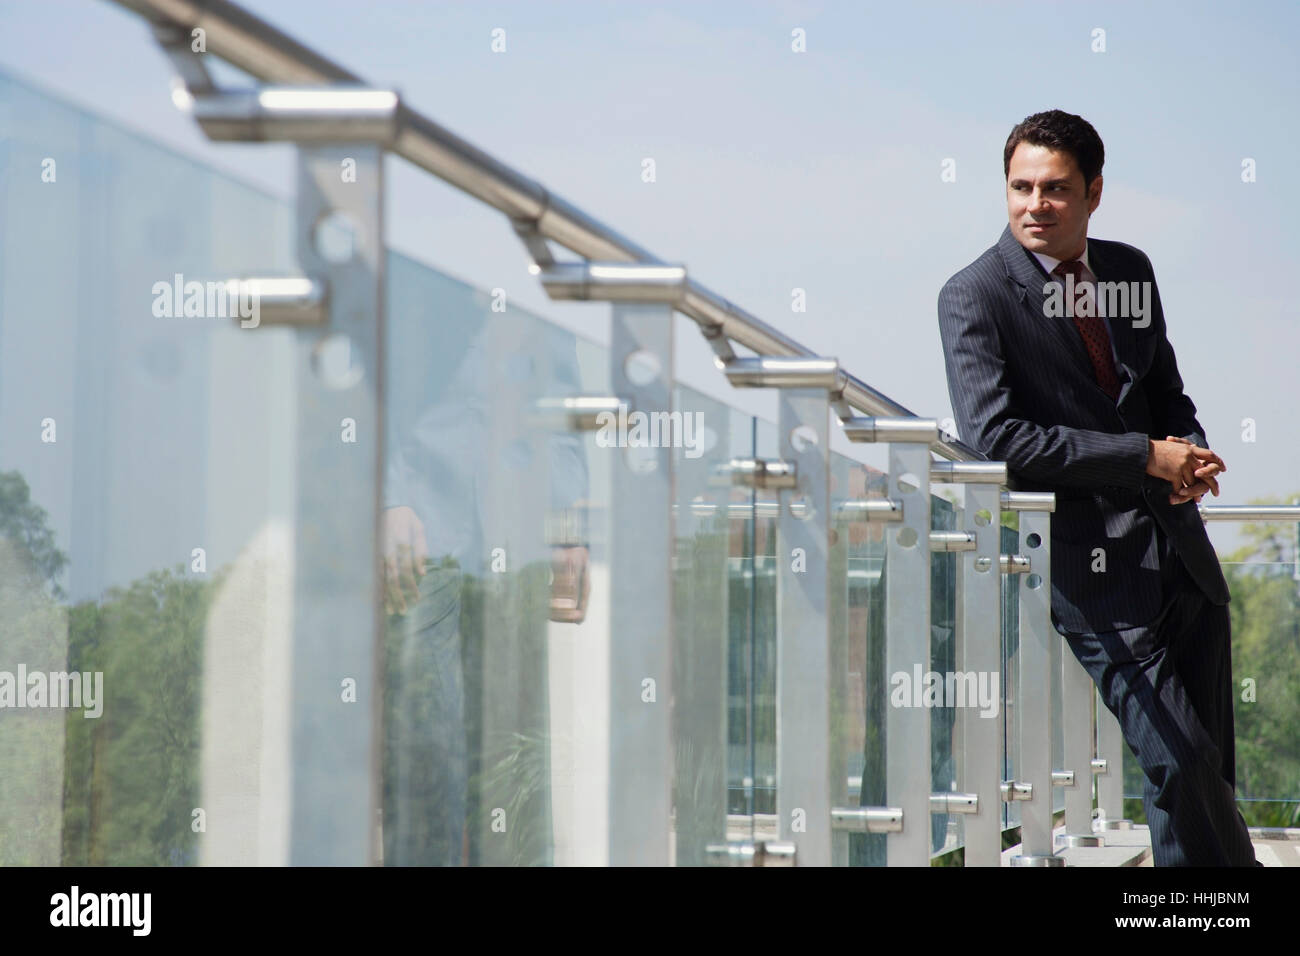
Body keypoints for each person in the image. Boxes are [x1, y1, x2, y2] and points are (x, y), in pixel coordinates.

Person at [936, 110, 1257, 866]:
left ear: (1094, 192)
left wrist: (1192, 453)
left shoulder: (1129, 270)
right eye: (1020, 187)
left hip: (1182, 556)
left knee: (1202, 770)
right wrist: (1145, 456)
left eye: (1055, 188)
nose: (1034, 205)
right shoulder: (974, 296)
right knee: (1180, 760)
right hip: (1091, 571)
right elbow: (1000, 441)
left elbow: (1167, 394)